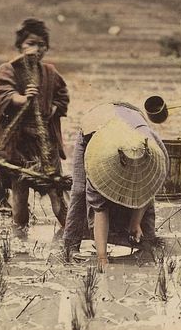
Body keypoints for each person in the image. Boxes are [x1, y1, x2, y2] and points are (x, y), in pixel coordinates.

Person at [0, 18, 70, 236]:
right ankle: (20, 240)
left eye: (42, 44)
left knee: (57, 192)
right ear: (20, 46)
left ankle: (71, 236)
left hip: (45, 143)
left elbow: (62, 95)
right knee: (20, 196)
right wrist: (21, 99)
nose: (37, 49)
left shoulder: (50, 72)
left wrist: (53, 108)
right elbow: (1, 95)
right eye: (31, 43)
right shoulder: (9, 69)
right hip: (19, 143)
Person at [63, 103, 168, 271]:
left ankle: (147, 245)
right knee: (79, 190)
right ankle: (70, 246)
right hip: (96, 125)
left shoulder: (150, 149)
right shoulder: (101, 161)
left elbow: (145, 192)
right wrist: (102, 258)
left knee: (143, 198)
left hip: (131, 120)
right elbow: (100, 210)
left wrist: (135, 223)